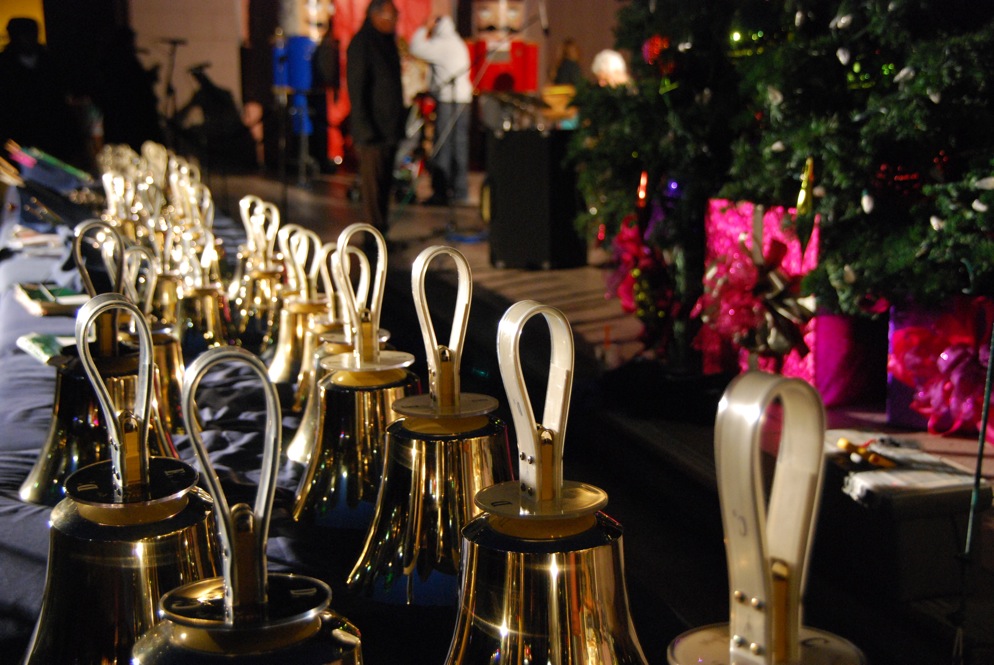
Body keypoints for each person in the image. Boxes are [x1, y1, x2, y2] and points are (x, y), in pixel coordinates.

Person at [346, 0, 405, 235]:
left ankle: (383, 231)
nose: (393, 23)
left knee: (384, 186)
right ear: (375, 16)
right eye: (389, 17)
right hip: (371, 129)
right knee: (372, 187)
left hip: (389, 127)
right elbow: (357, 88)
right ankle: (373, 236)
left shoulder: (387, 42)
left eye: (395, 17)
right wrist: (363, 127)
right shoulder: (362, 43)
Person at [0, 17, 89, 169]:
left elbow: (64, 93)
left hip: (53, 134)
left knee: (57, 174)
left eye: (32, 34)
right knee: (25, 176)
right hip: (17, 137)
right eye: (23, 35)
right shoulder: (4, 65)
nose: (28, 40)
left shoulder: (50, 61)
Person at [408, 12, 472, 206]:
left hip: (448, 100)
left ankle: (441, 191)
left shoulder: (442, 44)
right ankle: (460, 190)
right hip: (463, 101)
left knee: (442, 145)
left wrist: (423, 28)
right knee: (460, 145)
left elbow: (415, 48)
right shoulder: (458, 42)